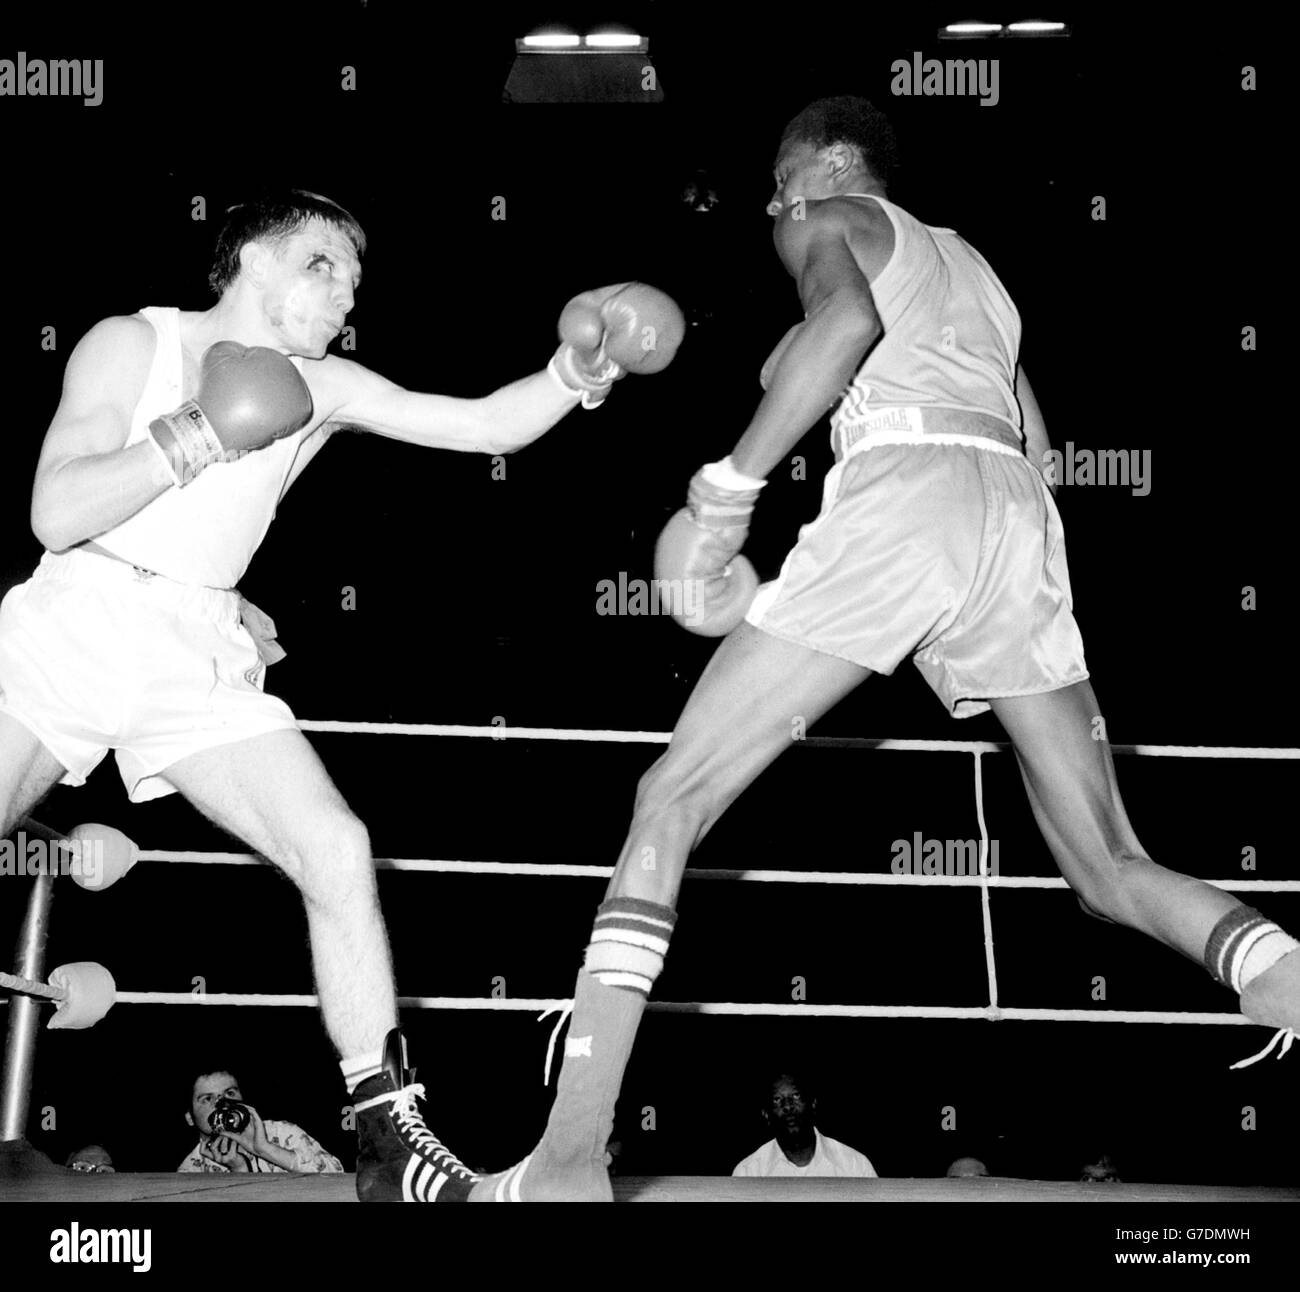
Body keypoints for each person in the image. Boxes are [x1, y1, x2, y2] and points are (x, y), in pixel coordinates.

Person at [466, 96, 1300, 1202]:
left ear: (811, 172)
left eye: (774, 183)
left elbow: (844, 329)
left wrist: (726, 491)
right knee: (1106, 866)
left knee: (671, 794)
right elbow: (1023, 437)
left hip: (904, 498)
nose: (769, 207)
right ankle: (1278, 967)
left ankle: (568, 1155)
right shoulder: (974, 270)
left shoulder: (817, 214)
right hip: (1013, 520)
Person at [0, 189, 682, 1202]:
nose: (347, 287)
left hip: (197, 645)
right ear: (253, 260)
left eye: (356, 274)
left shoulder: (322, 386)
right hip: (79, 612)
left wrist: (571, 373)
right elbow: (55, 510)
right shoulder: (130, 343)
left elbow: (479, 421)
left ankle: (387, 1138)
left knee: (337, 844)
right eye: (324, 262)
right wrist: (198, 433)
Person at [178, 1068, 341, 1175]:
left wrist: (265, 1150)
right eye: (207, 1099)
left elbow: (339, 1177)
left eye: (230, 1093)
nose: (222, 1104)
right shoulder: (191, 1169)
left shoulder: (282, 1133)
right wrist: (240, 1171)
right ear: (190, 1117)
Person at [732, 1072, 875, 1178]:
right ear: (765, 1114)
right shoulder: (748, 1172)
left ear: (813, 1103)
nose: (788, 1106)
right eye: (777, 1099)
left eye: (796, 1095)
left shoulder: (855, 1166)